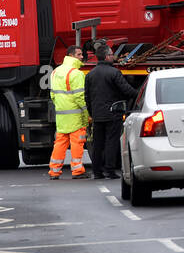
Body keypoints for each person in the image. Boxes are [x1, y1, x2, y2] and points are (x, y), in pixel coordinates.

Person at [84, 41, 138, 180]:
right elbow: (126, 90)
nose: (113, 57)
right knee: (111, 141)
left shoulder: (90, 74)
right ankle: (110, 170)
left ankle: (97, 171)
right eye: (112, 55)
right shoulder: (114, 72)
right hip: (113, 113)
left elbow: (87, 96)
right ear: (107, 56)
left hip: (97, 114)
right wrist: (138, 94)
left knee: (98, 143)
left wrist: (92, 112)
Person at [49, 44, 91, 179]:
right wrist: (87, 113)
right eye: (79, 54)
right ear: (71, 56)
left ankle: (54, 171)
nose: (82, 56)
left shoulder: (55, 72)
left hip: (61, 115)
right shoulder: (76, 73)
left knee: (60, 143)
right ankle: (78, 171)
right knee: (77, 143)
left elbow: (53, 95)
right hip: (75, 116)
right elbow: (80, 97)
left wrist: (61, 107)